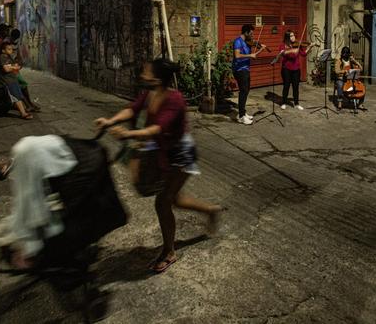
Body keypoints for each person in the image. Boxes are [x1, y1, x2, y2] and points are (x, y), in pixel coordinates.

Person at [95, 59, 221, 273]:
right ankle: (211, 210)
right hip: (164, 151)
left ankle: (169, 252)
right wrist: (111, 121)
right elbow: (132, 110)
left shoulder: (175, 99)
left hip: (180, 154)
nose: (142, 75)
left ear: (157, 78)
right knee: (175, 199)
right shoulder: (150, 93)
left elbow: (156, 128)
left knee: (163, 203)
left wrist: (127, 134)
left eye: (146, 71)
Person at [232, 24, 263, 125]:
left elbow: (255, 44)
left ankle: (242, 112)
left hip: (246, 69)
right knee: (243, 91)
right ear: (245, 33)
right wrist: (250, 55)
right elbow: (237, 55)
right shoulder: (237, 41)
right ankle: (241, 116)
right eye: (251, 34)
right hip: (239, 69)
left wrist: (261, 47)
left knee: (246, 91)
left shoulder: (248, 42)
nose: (252, 36)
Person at [279, 30, 315, 110]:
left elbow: (304, 54)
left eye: (293, 35)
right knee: (286, 86)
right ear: (287, 37)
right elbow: (282, 53)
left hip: (296, 69)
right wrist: (292, 50)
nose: (293, 37)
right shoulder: (283, 45)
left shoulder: (298, 44)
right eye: (291, 36)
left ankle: (296, 103)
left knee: (296, 87)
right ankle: (284, 102)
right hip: (286, 69)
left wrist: (310, 47)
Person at [0, 41, 33, 120]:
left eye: (11, 49)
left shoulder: (8, 57)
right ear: (3, 50)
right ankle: (23, 113)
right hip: (8, 80)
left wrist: (13, 67)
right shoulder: (2, 57)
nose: (11, 51)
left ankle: (24, 109)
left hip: (12, 79)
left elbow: (16, 66)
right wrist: (14, 67)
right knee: (16, 96)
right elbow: (6, 69)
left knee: (17, 95)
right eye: (9, 49)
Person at [9, 28, 40, 111]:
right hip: (10, 69)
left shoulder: (14, 43)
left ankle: (29, 104)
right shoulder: (6, 43)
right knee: (20, 86)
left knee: (22, 85)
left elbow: (17, 54)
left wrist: (19, 61)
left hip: (14, 68)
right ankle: (28, 105)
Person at [334, 46, 363, 111]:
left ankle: (360, 103)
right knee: (340, 84)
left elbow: (361, 69)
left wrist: (355, 61)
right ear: (342, 54)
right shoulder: (339, 61)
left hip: (351, 79)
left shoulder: (351, 61)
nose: (345, 55)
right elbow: (336, 71)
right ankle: (340, 102)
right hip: (341, 79)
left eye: (347, 54)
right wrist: (344, 71)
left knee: (361, 86)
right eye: (344, 54)